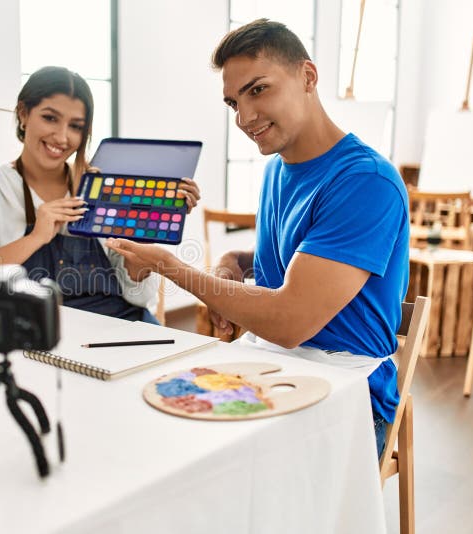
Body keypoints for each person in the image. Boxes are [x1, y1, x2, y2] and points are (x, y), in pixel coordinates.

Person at [105, 19, 409, 458]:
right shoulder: (276, 171)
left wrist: (170, 266)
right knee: (153, 435)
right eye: (233, 102)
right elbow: (297, 262)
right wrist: (236, 258)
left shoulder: (366, 181)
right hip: (271, 366)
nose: (244, 117)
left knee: (194, 465)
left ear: (308, 76)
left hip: (349, 395)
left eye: (258, 90)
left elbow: (290, 321)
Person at [0, 66, 200, 323]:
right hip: (35, 334)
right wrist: (36, 237)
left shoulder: (100, 187)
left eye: (76, 126)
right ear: (23, 113)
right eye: (50, 118)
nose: (62, 137)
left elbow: (139, 297)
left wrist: (144, 249)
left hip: (118, 327)